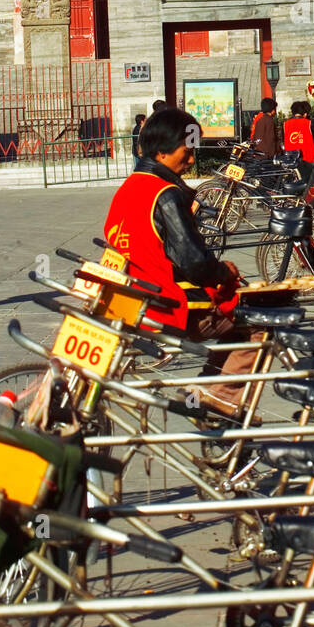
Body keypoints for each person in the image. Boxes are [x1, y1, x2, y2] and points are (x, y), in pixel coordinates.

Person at [103, 108, 253, 417]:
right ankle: (219, 397)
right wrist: (224, 271)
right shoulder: (166, 194)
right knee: (259, 323)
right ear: (161, 152)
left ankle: (208, 390)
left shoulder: (129, 186)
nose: (190, 160)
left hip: (133, 296)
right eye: (186, 153)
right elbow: (195, 262)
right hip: (167, 304)